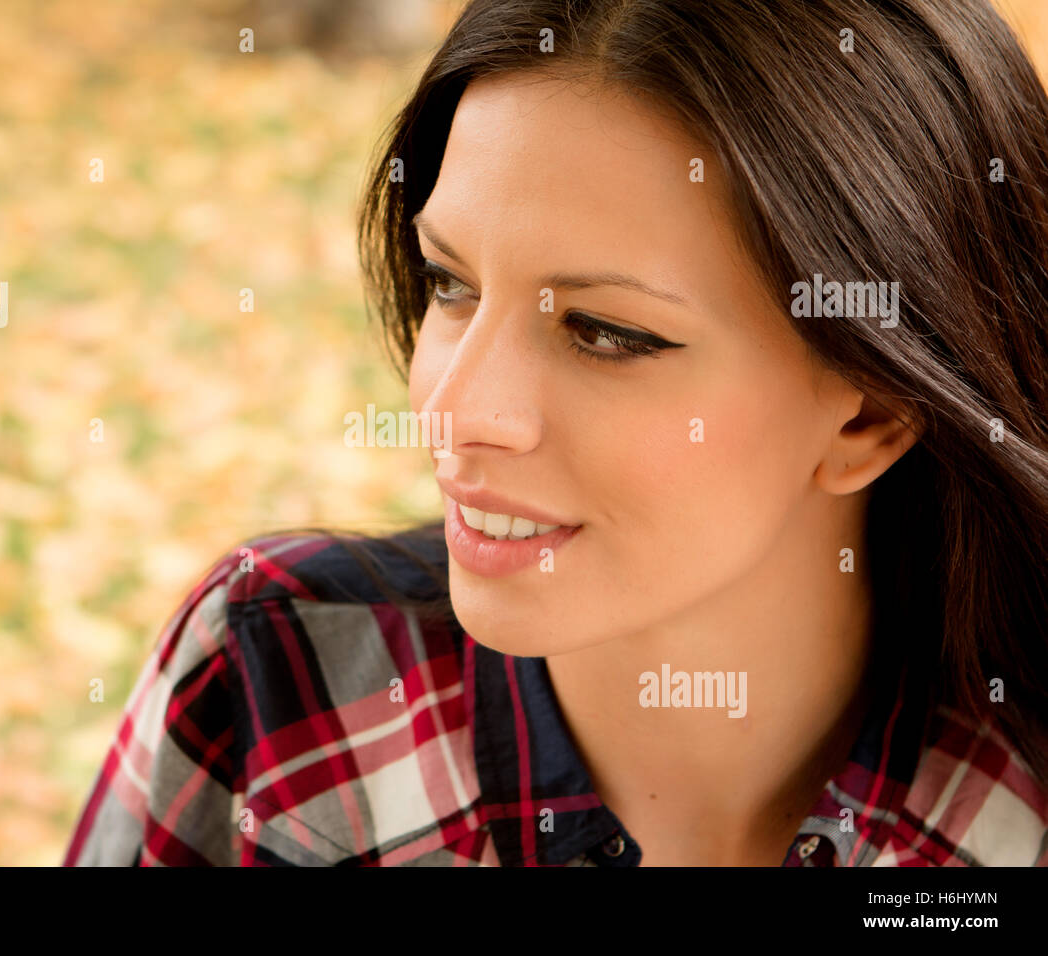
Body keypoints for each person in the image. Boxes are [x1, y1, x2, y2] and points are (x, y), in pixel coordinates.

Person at [64, 0, 1048, 866]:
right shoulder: (275, 676)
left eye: (608, 332)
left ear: (871, 411)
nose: (457, 408)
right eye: (451, 282)